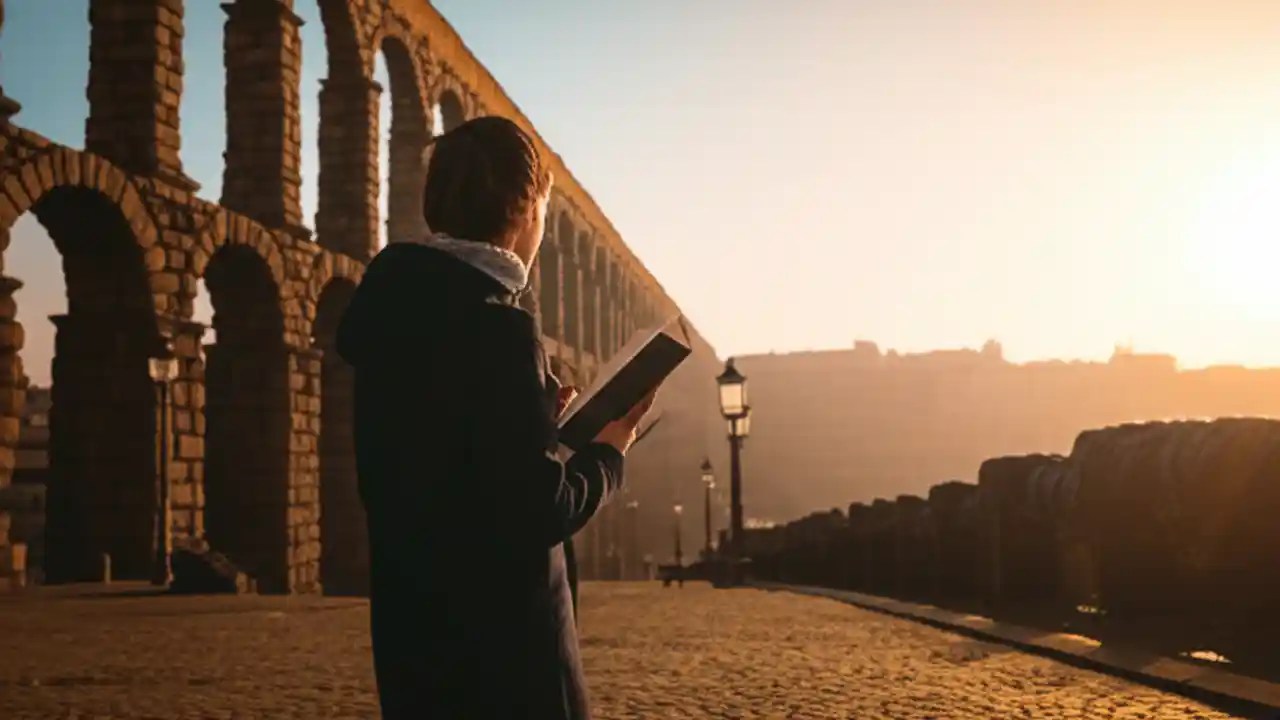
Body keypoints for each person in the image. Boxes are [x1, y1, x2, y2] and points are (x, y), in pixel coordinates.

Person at [336, 115, 656, 720]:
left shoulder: (394, 309)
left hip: (417, 644)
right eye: (541, 208)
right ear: (523, 208)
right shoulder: (496, 326)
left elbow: (444, 457)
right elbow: (539, 509)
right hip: (506, 660)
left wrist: (531, 414)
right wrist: (610, 453)